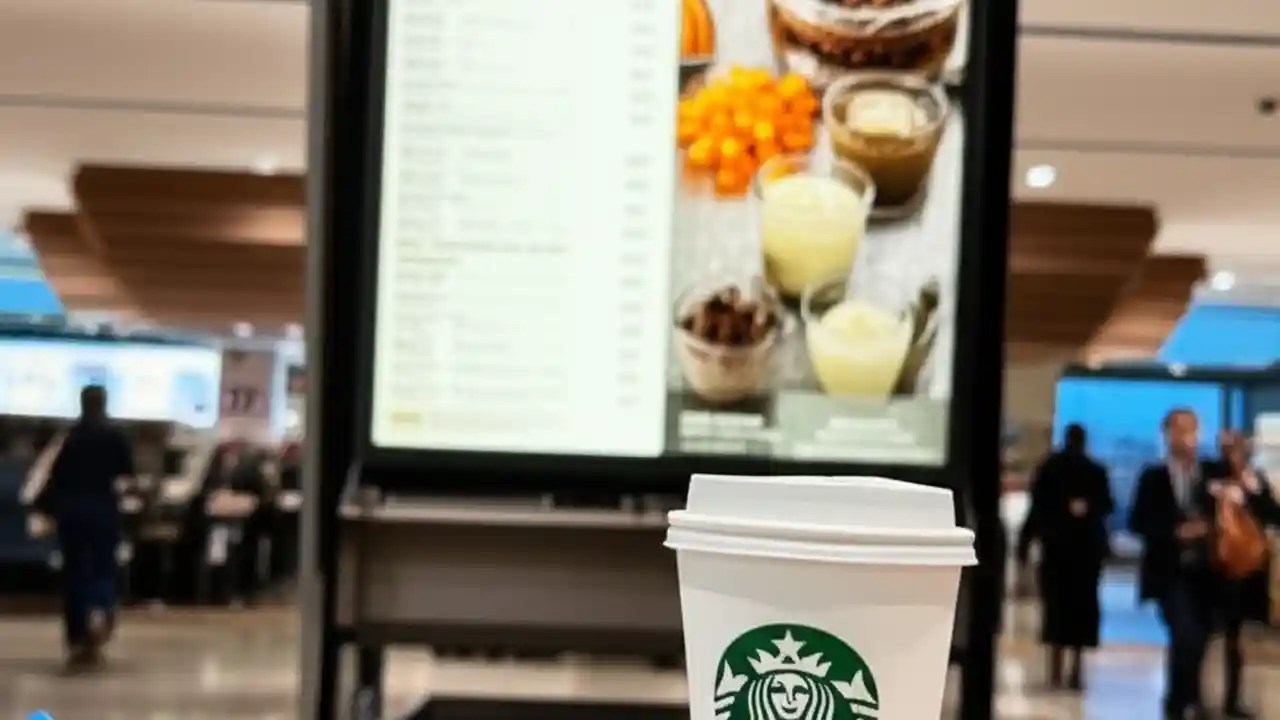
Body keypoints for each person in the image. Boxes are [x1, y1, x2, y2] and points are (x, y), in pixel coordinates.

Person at [1130, 407, 1218, 720]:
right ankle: (1178, 702)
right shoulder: (1154, 476)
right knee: (1184, 634)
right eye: (1179, 429)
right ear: (1166, 434)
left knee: (1201, 638)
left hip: (1208, 572)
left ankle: (1189, 696)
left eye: (1192, 429)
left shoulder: (1211, 473)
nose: (1186, 437)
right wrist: (1173, 532)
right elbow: (1137, 521)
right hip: (1171, 572)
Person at [41, 385, 134, 669]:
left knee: (74, 573)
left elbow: (54, 477)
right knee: (104, 566)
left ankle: (77, 633)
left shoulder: (69, 437)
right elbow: (126, 474)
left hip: (71, 514)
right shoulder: (116, 436)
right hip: (104, 511)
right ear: (104, 403)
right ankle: (103, 609)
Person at [1016, 423, 1114, 690]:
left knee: (1056, 609)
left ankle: (1055, 669)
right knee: (1083, 610)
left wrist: (1024, 547)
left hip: (1056, 550)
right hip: (1086, 553)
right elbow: (1107, 506)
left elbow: (1035, 510)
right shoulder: (1096, 471)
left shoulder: (1049, 469)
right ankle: (1076, 670)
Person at [1199, 431, 1280, 719]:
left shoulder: (1254, 478)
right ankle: (1198, 698)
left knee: (1237, 637)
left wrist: (1252, 492)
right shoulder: (1208, 473)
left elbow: (1272, 514)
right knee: (1205, 635)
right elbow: (1203, 506)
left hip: (1246, 566)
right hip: (1214, 567)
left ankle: (1232, 698)